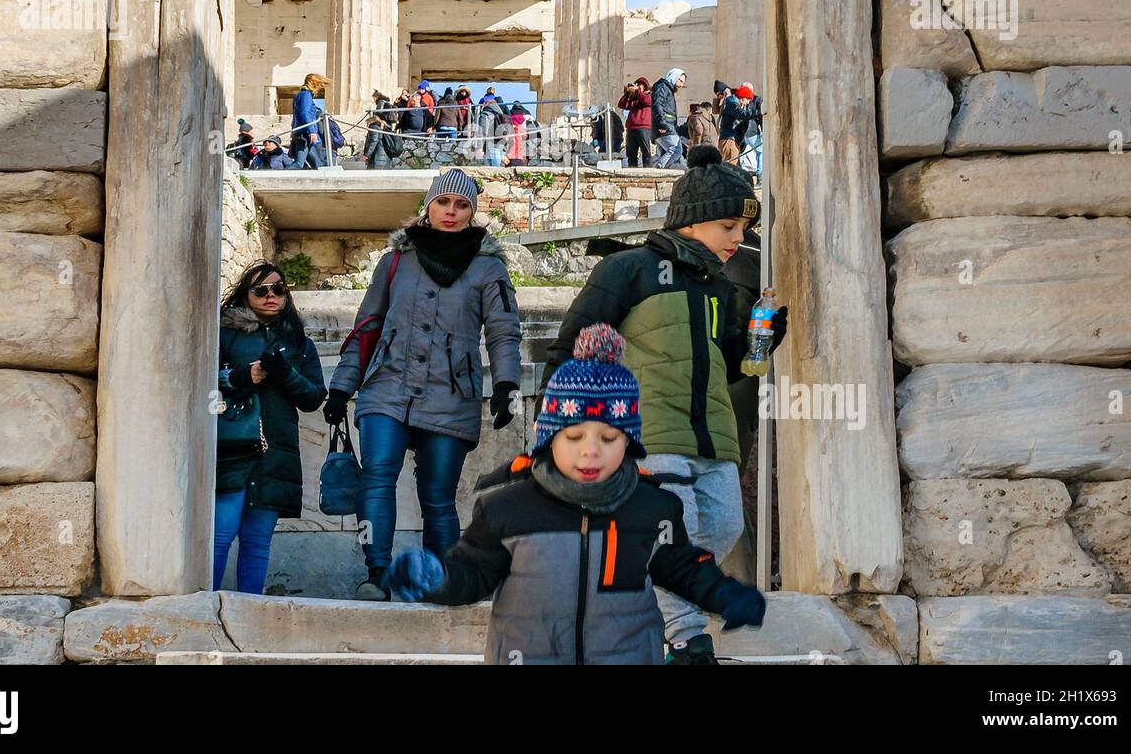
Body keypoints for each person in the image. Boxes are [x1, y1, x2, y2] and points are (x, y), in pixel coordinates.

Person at [384, 323, 767, 665]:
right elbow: (473, 574)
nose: (590, 451)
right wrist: (436, 578)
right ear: (548, 438)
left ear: (630, 441)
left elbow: (685, 570)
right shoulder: (507, 508)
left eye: (609, 437)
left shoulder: (652, 509)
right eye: (573, 436)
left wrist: (726, 595)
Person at [539, 145, 787, 663]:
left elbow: (731, 360)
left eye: (742, 230)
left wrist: (762, 339)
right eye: (728, 228)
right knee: (679, 529)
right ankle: (688, 640)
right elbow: (572, 342)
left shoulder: (718, 287)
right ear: (692, 222)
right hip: (646, 427)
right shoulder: (626, 269)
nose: (738, 241)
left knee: (723, 526)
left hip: (711, 432)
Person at [324, 169, 523, 599]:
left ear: (472, 213)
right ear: (428, 206)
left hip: (451, 392)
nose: (451, 212)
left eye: (461, 205)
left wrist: (507, 384)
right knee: (376, 476)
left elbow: (503, 330)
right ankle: (376, 573)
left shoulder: (489, 268)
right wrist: (343, 386)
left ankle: (441, 581)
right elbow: (368, 324)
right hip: (388, 384)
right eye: (443, 203)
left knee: (438, 495)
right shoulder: (396, 260)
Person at [215, 261, 327, 593]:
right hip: (232, 444)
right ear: (246, 295)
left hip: (276, 447)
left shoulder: (299, 342)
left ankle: (248, 611)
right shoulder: (223, 333)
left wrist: (284, 372)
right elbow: (196, 382)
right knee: (221, 532)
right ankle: (206, 607)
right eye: (260, 290)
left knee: (258, 538)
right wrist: (239, 377)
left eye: (278, 288)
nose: (270, 296)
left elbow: (313, 397)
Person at [289, 73, 330, 168]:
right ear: (313, 83)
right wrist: (312, 131)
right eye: (319, 84)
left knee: (318, 165)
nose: (320, 87)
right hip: (304, 135)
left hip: (302, 134)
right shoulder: (305, 95)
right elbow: (305, 113)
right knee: (299, 164)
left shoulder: (302, 95)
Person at [651, 67, 686, 169]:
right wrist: (662, 122)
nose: (681, 84)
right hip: (664, 124)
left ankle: (659, 172)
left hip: (667, 124)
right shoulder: (663, 87)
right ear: (674, 77)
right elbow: (657, 104)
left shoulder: (667, 89)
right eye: (680, 81)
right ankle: (658, 169)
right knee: (676, 149)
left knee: (664, 153)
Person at [618, 77, 653, 168]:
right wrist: (627, 94)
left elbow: (646, 101)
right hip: (631, 128)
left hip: (643, 128)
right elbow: (621, 104)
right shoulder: (634, 98)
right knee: (631, 153)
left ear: (645, 86)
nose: (637, 86)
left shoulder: (649, 95)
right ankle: (632, 170)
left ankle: (648, 170)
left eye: (639, 85)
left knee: (646, 152)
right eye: (636, 84)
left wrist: (637, 91)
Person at [476, 98, 509, 167]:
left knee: (493, 173)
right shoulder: (501, 115)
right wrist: (503, 153)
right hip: (499, 146)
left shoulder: (486, 114)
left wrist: (479, 147)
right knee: (497, 173)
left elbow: (482, 131)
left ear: (487, 104)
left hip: (490, 146)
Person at [506, 101, 529, 166]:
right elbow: (525, 136)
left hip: (510, 155)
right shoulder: (521, 127)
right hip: (519, 155)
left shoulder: (509, 127)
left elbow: (506, 139)